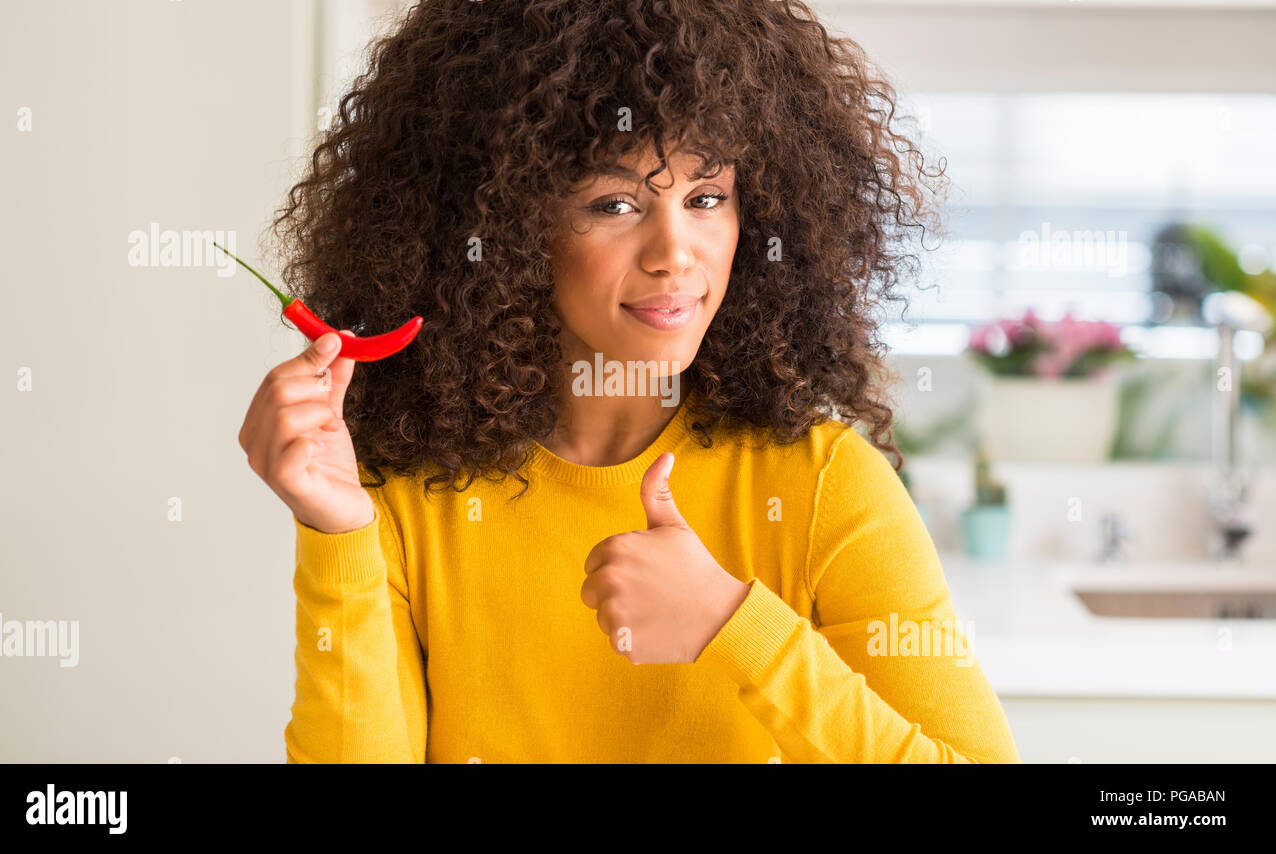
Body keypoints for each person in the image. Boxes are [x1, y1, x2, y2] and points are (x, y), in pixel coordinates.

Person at [240, 0, 1020, 763]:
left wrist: (734, 625)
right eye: (615, 203)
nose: (674, 252)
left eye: (706, 198)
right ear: (504, 225)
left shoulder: (820, 483)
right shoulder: (405, 489)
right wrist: (337, 534)